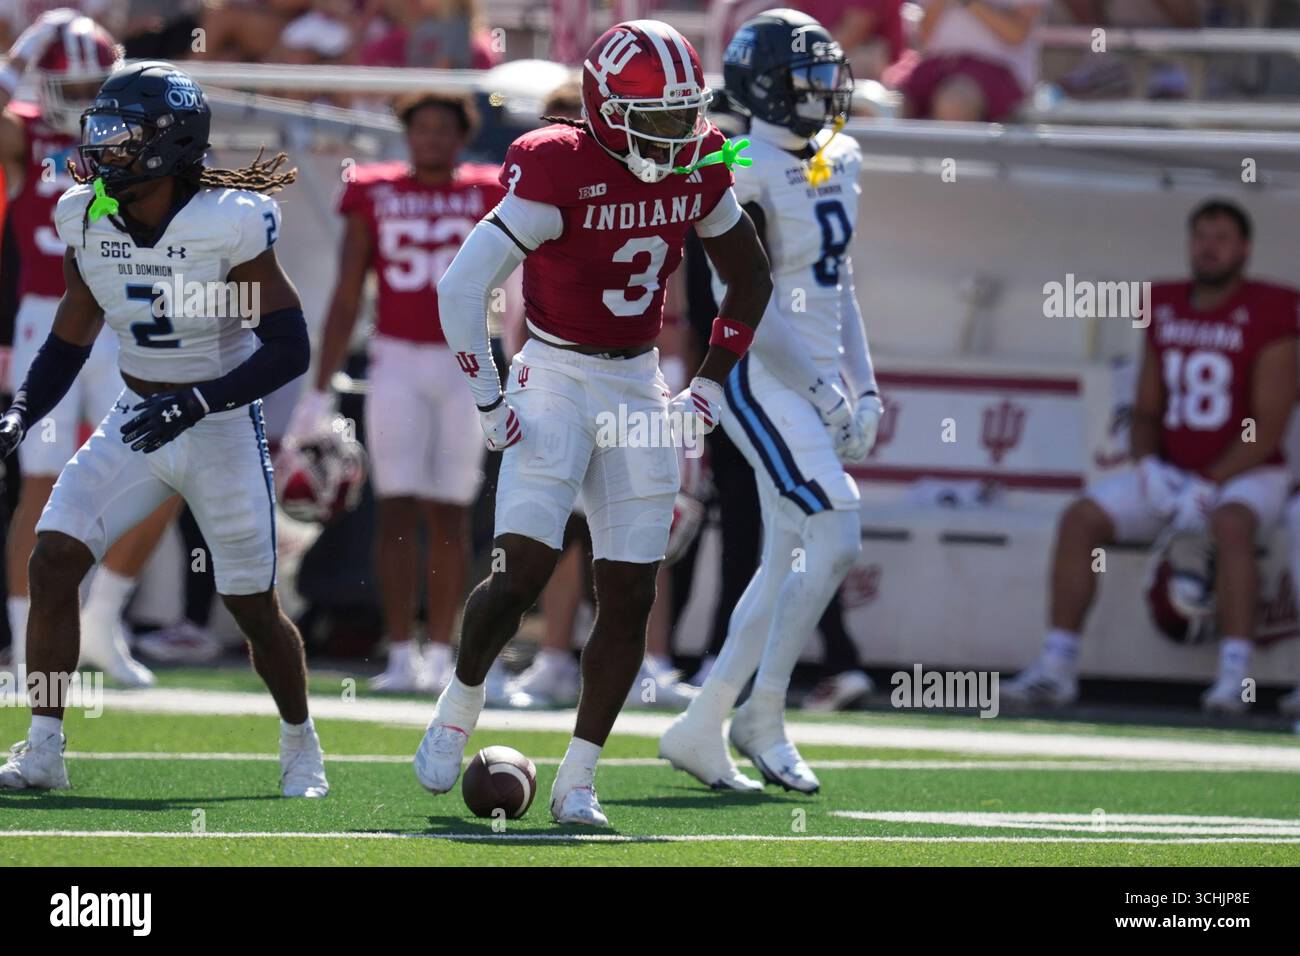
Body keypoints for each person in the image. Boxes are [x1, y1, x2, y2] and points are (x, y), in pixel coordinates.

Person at [415, 19, 772, 826]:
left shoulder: (707, 156)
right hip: (556, 374)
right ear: (607, 110)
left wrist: (711, 384)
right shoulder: (554, 163)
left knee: (631, 588)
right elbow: (460, 290)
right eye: (662, 117)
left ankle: (579, 778)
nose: (683, 133)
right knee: (521, 575)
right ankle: (458, 703)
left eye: (689, 114)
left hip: (639, 381)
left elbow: (750, 277)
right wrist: (489, 397)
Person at [0, 61, 328, 796]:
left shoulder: (228, 223)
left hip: (218, 428)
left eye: (119, 133)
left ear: (167, 145)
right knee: (53, 559)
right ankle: (44, 747)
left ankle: (301, 740)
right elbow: (70, 336)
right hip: (137, 417)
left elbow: (287, 347)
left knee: (251, 608)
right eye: (102, 130)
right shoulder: (84, 212)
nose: (102, 145)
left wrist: (201, 400)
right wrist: (22, 412)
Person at [659, 9, 881, 794]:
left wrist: (866, 383)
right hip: (758, 371)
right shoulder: (738, 160)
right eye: (807, 80)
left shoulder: (841, 156)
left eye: (827, 78)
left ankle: (705, 721)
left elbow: (837, 282)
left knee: (789, 553)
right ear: (764, 87)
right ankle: (763, 712)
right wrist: (824, 392)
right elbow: (739, 297)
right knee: (838, 524)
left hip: (818, 378)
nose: (824, 93)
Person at [1004, 199, 1298, 715]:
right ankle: (1057, 667)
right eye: (1201, 235)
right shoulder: (1162, 302)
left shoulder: (1272, 309)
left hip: (1250, 473)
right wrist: (1147, 466)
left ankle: (1235, 676)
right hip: (1174, 473)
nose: (1209, 247)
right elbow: (1144, 410)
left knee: (1230, 525)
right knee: (1080, 519)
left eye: (1222, 237)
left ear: (1245, 249)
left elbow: (1269, 425)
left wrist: (1209, 481)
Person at [286, 90, 504, 693]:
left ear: (462, 137)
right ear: (407, 135)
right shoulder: (375, 189)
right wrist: (319, 386)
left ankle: (442, 649)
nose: (432, 138)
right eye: (421, 128)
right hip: (397, 358)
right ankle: (401, 649)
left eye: (444, 128)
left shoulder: (488, 190)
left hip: (466, 359)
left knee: (452, 510)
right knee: (396, 505)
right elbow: (348, 289)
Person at [0, 10, 176, 688]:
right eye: (64, 83)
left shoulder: (136, 136)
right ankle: (24, 645)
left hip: (130, 312)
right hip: (50, 315)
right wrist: (20, 56)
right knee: (43, 484)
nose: (78, 99)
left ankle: (103, 620)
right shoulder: (27, 137)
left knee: (161, 472)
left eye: (89, 84)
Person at [902, 0, 1049, 122]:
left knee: (954, 102)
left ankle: (951, 158)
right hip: (937, 65)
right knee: (890, 105)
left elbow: (1016, 34)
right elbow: (924, 35)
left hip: (1002, 71)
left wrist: (969, 3)